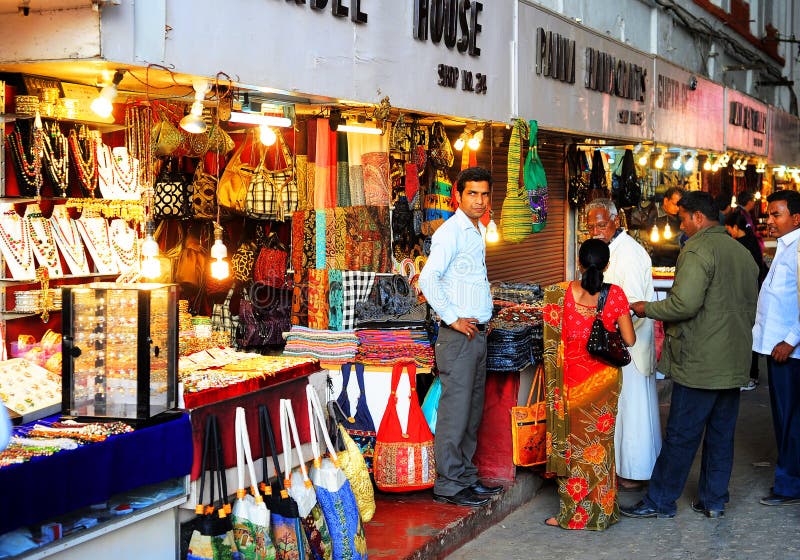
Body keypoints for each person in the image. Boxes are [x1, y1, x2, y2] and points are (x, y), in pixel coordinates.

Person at [622, 191, 758, 520]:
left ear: (698, 217)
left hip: (700, 361)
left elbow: (684, 304)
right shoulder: (742, 253)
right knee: (721, 435)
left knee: (682, 434)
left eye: (683, 218)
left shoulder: (697, 249)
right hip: (733, 360)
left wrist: (645, 307)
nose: (681, 224)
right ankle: (713, 501)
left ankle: (660, 501)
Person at [418, 166, 501, 507]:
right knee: (455, 413)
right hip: (458, 339)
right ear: (458, 194)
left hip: (476, 337)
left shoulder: (475, 231)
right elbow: (427, 279)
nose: (479, 200)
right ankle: (449, 485)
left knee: (472, 412)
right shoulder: (451, 232)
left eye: (484, 194)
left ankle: (465, 477)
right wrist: (452, 319)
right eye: (472, 194)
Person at [542, 238, 636, 530]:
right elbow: (630, 340)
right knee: (600, 446)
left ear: (579, 262)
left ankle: (570, 514)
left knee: (571, 444)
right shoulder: (616, 295)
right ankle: (602, 512)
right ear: (607, 265)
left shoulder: (558, 293)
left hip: (569, 383)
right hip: (604, 384)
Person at [585, 199, 660, 491]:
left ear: (617, 222)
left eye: (601, 224)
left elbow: (631, 303)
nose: (596, 230)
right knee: (626, 410)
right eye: (591, 226)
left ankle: (634, 472)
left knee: (633, 411)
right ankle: (628, 468)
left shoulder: (628, 253)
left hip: (628, 344)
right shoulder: (608, 251)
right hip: (617, 343)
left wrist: (603, 325)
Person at [751, 189, 800, 507]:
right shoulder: (787, 247)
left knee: (791, 420)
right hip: (779, 347)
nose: (769, 220)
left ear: (796, 218)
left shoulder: (798, 250)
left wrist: (790, 339)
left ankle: (790, 485)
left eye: (776, 214)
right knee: (785, 419)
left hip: (790, 351)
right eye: (769, 214)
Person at [725, 210, 768, 391]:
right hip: (751, 293)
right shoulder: (750, 241)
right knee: (748, 333)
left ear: (735, 227)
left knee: (746, 334)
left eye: (729, 228)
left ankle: (750, 376)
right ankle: (750, 374)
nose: (728, 232)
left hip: (745, 295)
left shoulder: (741, 245)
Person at [648, 186, 684, 267]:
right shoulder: (655, 217)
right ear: (666, 201)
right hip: (659, 263)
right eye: (675, 204)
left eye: (679, 205)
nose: (677, 208)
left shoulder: (681, 217)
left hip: (677, 263)